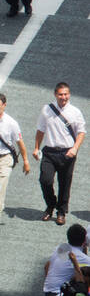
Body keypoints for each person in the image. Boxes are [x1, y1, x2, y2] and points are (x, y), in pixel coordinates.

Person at [33, 81, 86, 223]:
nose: (63, 97)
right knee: (45, 180)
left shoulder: (75, 112)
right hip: (49, 152)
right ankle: (50, 204)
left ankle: (61, 211)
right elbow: (40, 129)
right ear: (55, 95)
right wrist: (37, 147)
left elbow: (81, 132)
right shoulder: (47, 109)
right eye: (61, 94)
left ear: (69, 94)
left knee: (64, 183)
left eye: (66, 94)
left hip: (67, 152)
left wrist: (75, 148)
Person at [0, 93, 31, 236]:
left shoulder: (11, 123)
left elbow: (20, 143)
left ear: (4, 105)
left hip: (4, 159)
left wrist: (26, 161)